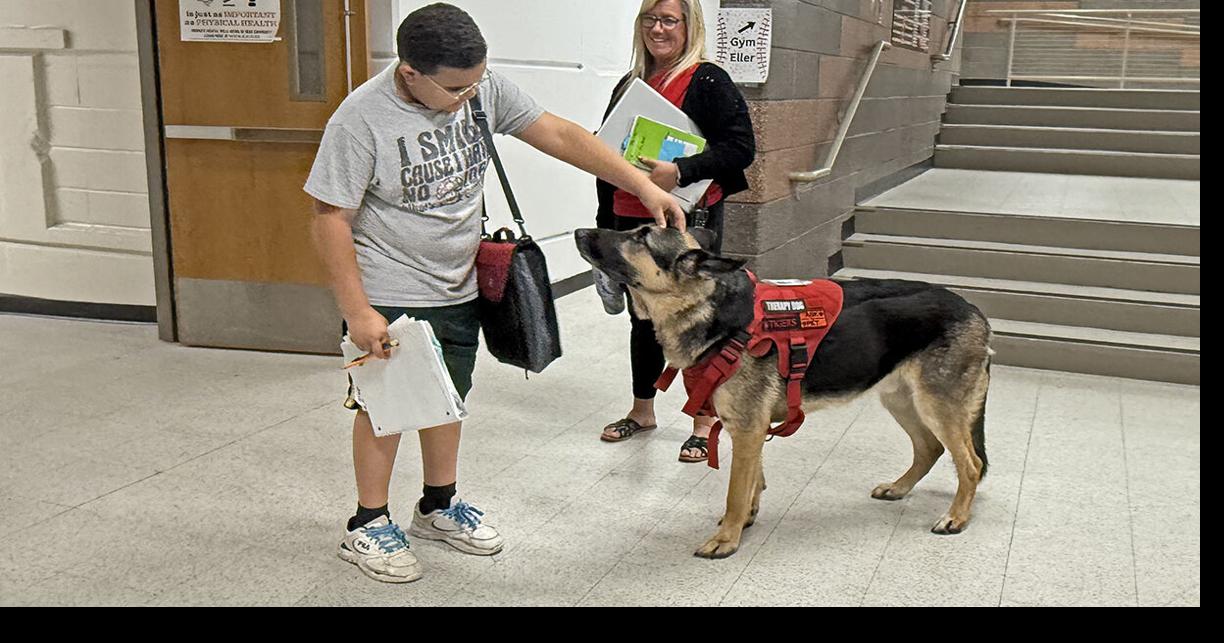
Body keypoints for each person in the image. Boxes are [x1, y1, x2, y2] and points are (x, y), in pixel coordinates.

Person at [306, 2, 685, 584]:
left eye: (476, 83)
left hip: (458, 281)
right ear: (410, 73)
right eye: (456, 88)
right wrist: (357, 310)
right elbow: (330, 217)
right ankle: (368, 522)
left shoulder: (479, 88)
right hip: (390, 288)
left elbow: (558, 133)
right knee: (386, 408)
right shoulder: (359, 120)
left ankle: (438, 505)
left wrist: (639, 183)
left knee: (448, 398)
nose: (469, 96)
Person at [595, 0, 755, 463]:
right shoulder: (631, 83)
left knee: (697, 318)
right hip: (630, 217)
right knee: (643, 317)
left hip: (688, 219)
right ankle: (642, 411)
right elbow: (606, 155)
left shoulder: (707, 79)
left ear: (689, 26)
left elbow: (740, 148)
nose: (658, 29)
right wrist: (605, 222)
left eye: (669, 20)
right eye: (650, 19)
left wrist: (681, 170)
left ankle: (704, 423)